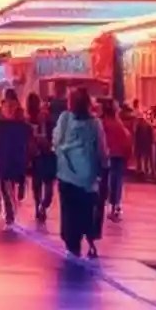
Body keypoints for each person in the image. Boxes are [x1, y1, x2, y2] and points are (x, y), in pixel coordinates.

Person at [53, 87, 108, 258]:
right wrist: (103, 166)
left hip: (66, 173)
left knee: (68, 211)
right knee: (86, 209)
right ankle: (89, 238)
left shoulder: (64, 119)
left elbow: (56, 141)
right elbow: (101, 148)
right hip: (88, 177)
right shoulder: (95, 123)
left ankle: (72, 245)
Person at [0, 94, 33, 227]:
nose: (9, 110)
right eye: (7, 107)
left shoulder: (0, 127)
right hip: (9, 161)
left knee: (8, 185)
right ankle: (10, 213)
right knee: (7, 185)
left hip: (11, 161)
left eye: (11, 107)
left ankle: (11, 211)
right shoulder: (21, 127)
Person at [26, 93, 57, 223]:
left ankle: (39, 206)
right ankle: (42, 206)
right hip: (48, 153)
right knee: (47, 184)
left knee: (37, 184)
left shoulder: (27, 120)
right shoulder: (45, 117)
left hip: (36, 155)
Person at [100, 100, 132, 222]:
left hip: (108, 155)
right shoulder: (117, 123)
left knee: (107, 182)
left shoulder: (103, 123)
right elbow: (126, 139)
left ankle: (110, 206)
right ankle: (115, 206)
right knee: (116, 182)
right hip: (117, 155)